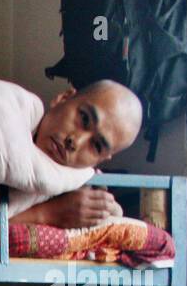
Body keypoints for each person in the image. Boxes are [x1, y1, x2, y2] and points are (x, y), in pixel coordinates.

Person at [14, 79, 145, 229]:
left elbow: (115, 212)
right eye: (84, 118)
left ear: (101, 159)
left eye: (96, 145)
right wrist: (48, 213)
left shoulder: (85, 187)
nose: (75, 141)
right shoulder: (6, 129)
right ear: (63, 98)